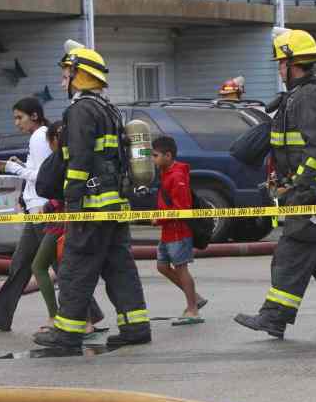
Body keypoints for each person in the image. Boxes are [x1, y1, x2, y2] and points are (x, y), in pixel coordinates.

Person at [234, 29, 316, 339]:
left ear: (293, 64)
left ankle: (274, 316)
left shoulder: (307, 96)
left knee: (292, 252)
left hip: (312, 193)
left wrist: (298, 184)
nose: (278, 68)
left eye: (281, 63)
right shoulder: (307, 94)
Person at [33, 43, 151, 349]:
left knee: (76, 267)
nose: (62, 81)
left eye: (65, 74)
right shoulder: (107, 108)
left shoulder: (80, 110)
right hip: (114, 204)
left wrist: (73, 203)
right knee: (119, 267)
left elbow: (79, 160)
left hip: (91, 206)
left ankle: (67, 333)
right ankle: (135, 327)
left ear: (79, 75)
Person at [0, 97, 51, 332]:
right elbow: (37, 171)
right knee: (20, 264)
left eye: (20, 117)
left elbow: (41, 177)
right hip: (35, 209)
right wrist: (20, 164)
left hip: (41, 209)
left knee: (59, 267)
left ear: (35, 116)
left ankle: (85, 315)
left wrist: (11, 168)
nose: (17, 123)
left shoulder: (40, 137)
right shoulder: (39, 137)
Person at [30, 122, 103, 334]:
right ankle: (85, 318)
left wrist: (50, 205)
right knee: (69, 271)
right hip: (69, 220)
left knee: (49, 268)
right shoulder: (78, 156)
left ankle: (62, 317)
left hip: (63, 222)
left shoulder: (63, 159)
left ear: (54, 140)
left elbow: (66, 190)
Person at [151, 135, 205, 326]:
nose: (153, 159)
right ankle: (195, 298)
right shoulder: (165, 173)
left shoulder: (177, 176)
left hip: (178, 232)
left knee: (181, 269)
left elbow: (182, 209)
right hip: (168, 232)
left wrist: (160, 217)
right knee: (162, 267)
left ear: (168, 155)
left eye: (155, 155)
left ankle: (193, 309)